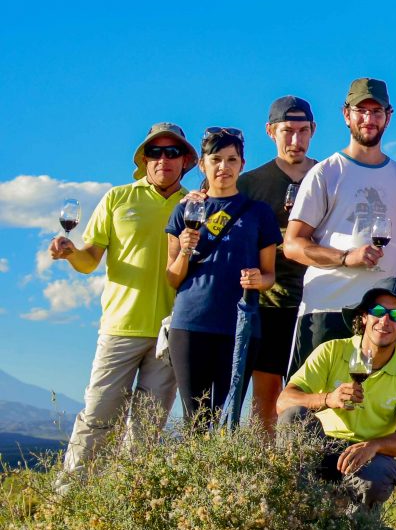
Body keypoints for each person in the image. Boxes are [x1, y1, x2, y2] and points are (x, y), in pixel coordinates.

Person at [50, 123, 195, 480]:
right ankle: (70, 498)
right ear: (144, 159)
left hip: (169, 333)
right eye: (156, 152)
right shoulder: (117, 199)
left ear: (186, 161)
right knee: (97, 419)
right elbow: (89, 261)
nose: (164, 159)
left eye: (172, 152)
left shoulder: (194, 206)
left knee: (145, 434)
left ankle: (124, 510)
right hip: (119, 328)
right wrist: (70, 253)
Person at [284, 78, 396, 378]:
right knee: (310, 414)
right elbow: (293, 245)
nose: (369, 119)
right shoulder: (326, 172)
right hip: (327, 309)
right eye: (361, 110)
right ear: (346, 114)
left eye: (377, 111)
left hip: (382, 319)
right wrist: (346, 257)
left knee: (368, 419)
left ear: (389, 116)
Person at [276, 277, 396, 512]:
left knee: (378, 473)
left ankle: (356, 526)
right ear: (365, 316)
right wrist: (328, 399)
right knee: (292, 417)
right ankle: (297, 512)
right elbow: (284, 401)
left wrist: (373, 446)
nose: (385, 320)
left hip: (366, 455)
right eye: (378, 311)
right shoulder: (332, 350)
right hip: (321, 445)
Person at [164, 127, 281, 420]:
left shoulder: (258, 213)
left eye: (231, 160)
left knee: (227, 417)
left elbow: (270, 276)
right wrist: (185, 251)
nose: (223, 167)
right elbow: (173, 278)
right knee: (196, 419)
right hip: (190, 324)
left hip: (240, 325)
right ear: (203, 164)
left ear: (242, 164)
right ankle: (197, 469)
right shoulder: (185, 210)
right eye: (216, 159)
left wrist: (258, 280)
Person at [237, 95, 318, 430]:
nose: (295, 140)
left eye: (303, 131)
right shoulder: (250, 183)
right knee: (266, 403)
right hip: (268, 303)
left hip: (317, 304)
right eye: (287, 131)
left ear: (313, 130)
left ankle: (308, 479)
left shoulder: (327, 174)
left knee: (314, 400)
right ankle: (266, 477)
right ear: (270, 131)